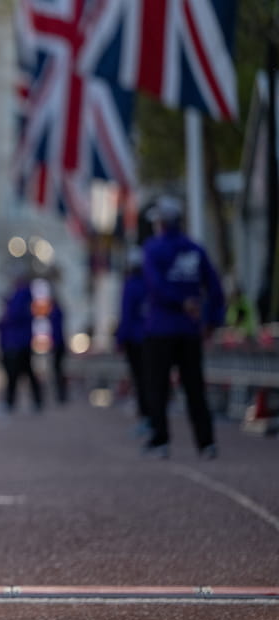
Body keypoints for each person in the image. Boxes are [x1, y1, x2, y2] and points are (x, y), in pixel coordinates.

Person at [140, 196, 225, 460]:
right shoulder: (194, 249)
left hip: (161, 329)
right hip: (189, 330)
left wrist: (181, 302)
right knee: (194, 388)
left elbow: (155, 286)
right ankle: (206, 442)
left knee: (158, 388)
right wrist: (211, 319)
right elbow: (215, 287)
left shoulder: (153, 249)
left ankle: (160, 440)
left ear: (162, 223)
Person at [0, 272, 43, 416]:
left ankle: (12, 402)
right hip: (18, 341)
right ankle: (34, 401)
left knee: (15, 374)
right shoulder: (23, 295)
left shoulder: (22, 295)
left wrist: (4, 318)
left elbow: (14, 316)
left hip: (18, 342)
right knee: (23, 373)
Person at [114, 247, 149, 437]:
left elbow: (126, 313)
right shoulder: (150, 282)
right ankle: (152, 418)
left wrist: (120, 338)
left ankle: (146, 418)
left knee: (141, 380)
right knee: (152, 380)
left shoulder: (131, 284)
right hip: (152, 337)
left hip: (135, 339)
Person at [48, 290, 68, 405]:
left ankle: (61, 394)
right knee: (58, 370)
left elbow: (55, 331)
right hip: (58, 343)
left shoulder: (55, 312)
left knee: (58, 370)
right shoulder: (57, 311)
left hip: (57, 344)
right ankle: (61, 394)